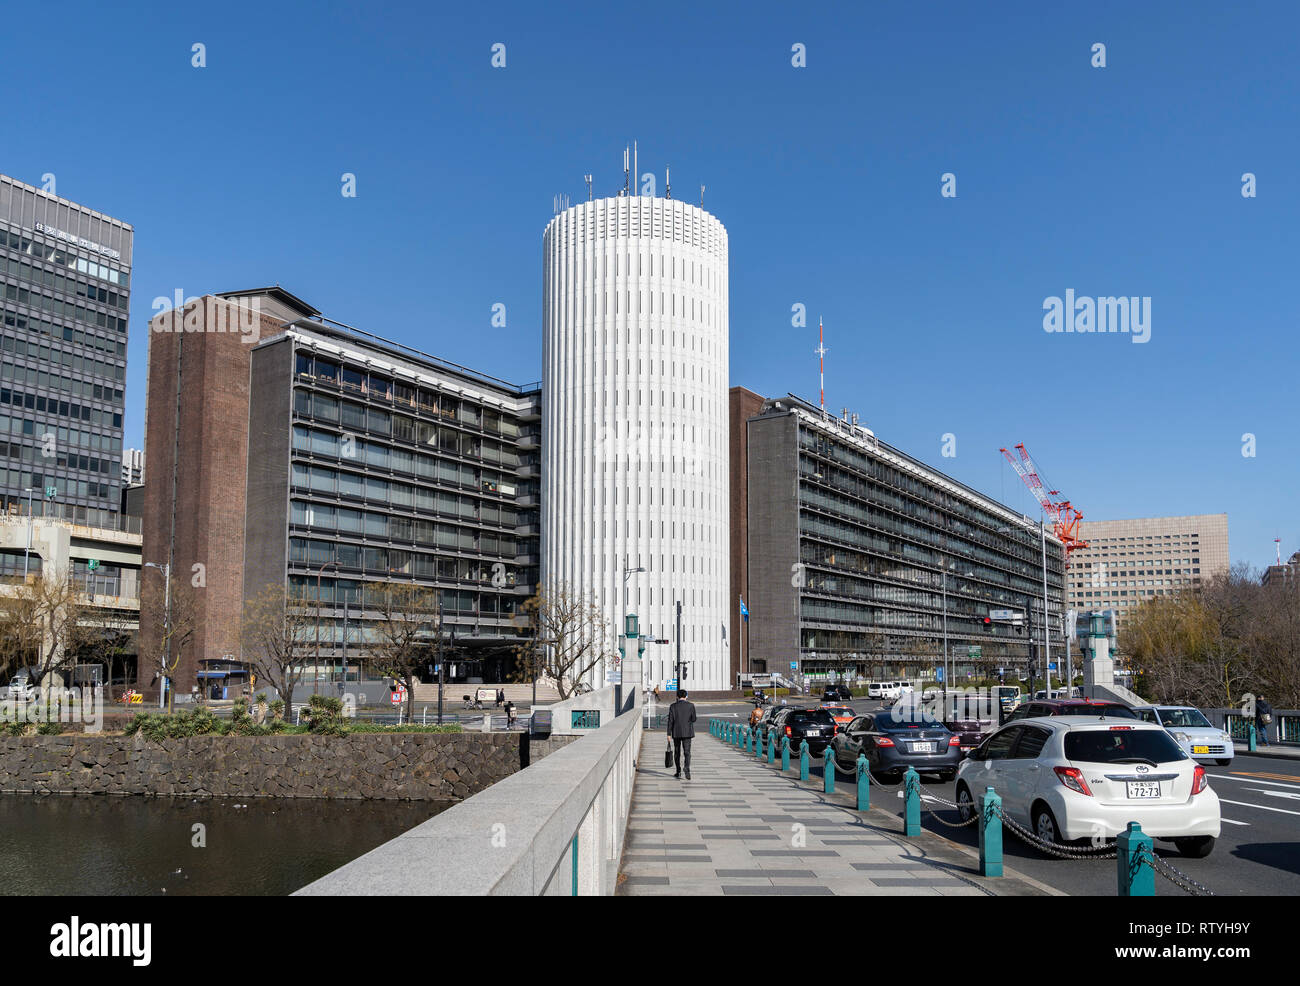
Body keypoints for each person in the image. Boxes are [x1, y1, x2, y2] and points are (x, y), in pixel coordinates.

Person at [666, 688, 697, 780]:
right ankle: (686, 768)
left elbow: (670, 721)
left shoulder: (673, 706)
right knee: (687, 752)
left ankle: (678, 771)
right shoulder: (691, 705)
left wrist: (668, 734)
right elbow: (694, 719)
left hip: (676, 732)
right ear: (686, 696)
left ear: (677, 697)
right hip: (687, 732)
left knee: (677, 752)